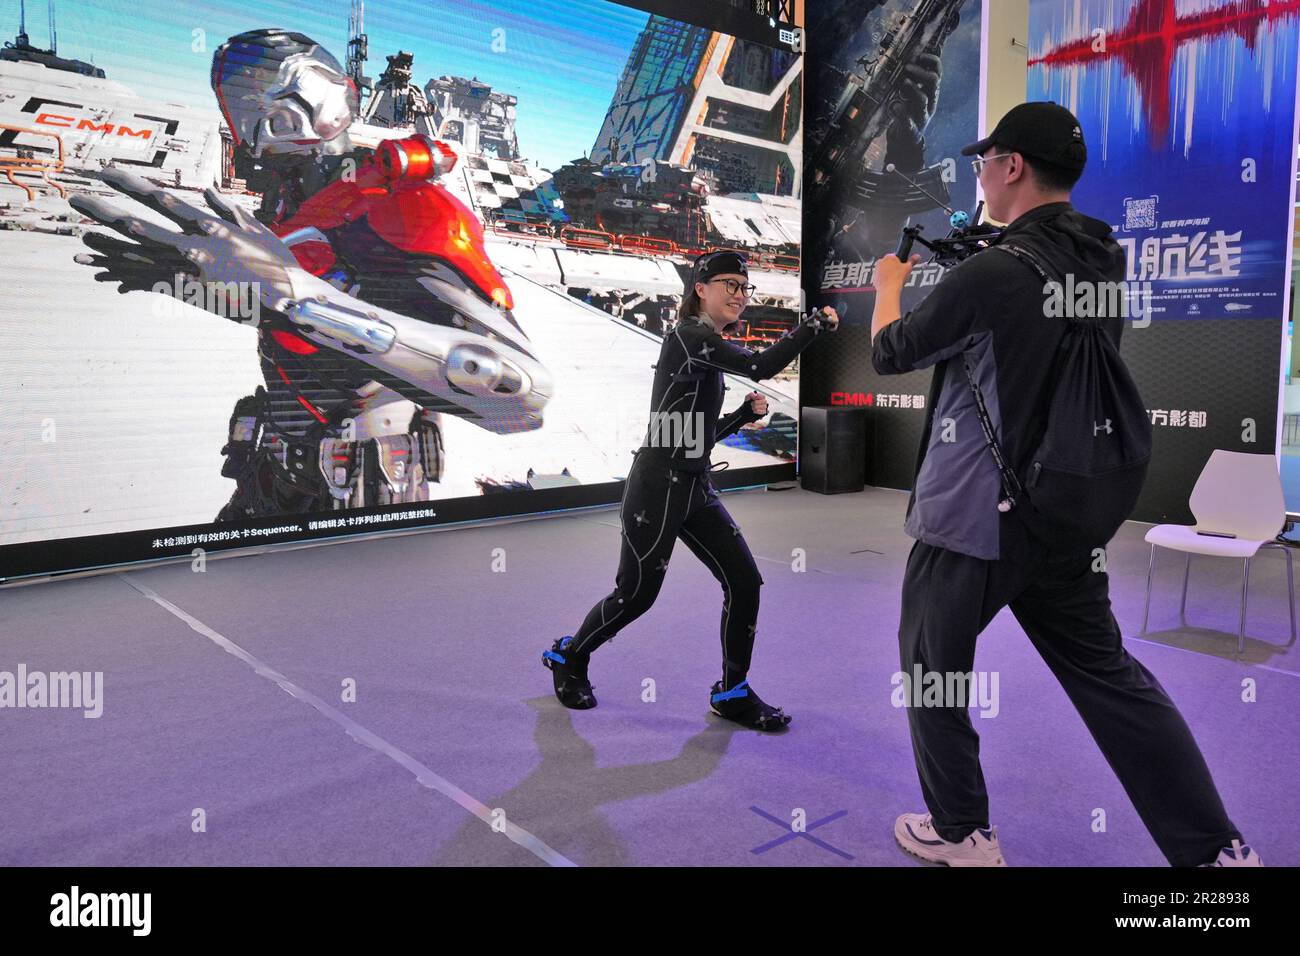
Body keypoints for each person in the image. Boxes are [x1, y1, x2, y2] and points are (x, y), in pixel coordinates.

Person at [872, 102, 1260, 867]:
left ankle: (960, 833)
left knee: (933, 668)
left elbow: (892, 351)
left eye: (986, 159)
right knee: (1111, 679)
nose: (978, 171)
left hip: (976, 516)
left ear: (1012, 166)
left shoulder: (991, 272)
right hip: (1065, 512)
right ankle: (1216, 853)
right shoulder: (1099, 260)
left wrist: (890, 282)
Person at [543, 251, 838, 730]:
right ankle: (570, 656)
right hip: (658, 485)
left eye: (746, 287)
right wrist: (813, 326)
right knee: (636, 596)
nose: (740, 295)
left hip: (694, 483)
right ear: (700, 288)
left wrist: (742, 418)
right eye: (730, 284)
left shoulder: (702, 343)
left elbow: (688, 433)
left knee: (744, 581)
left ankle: (732, 692)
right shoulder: (690, 335)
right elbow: (760, 365)